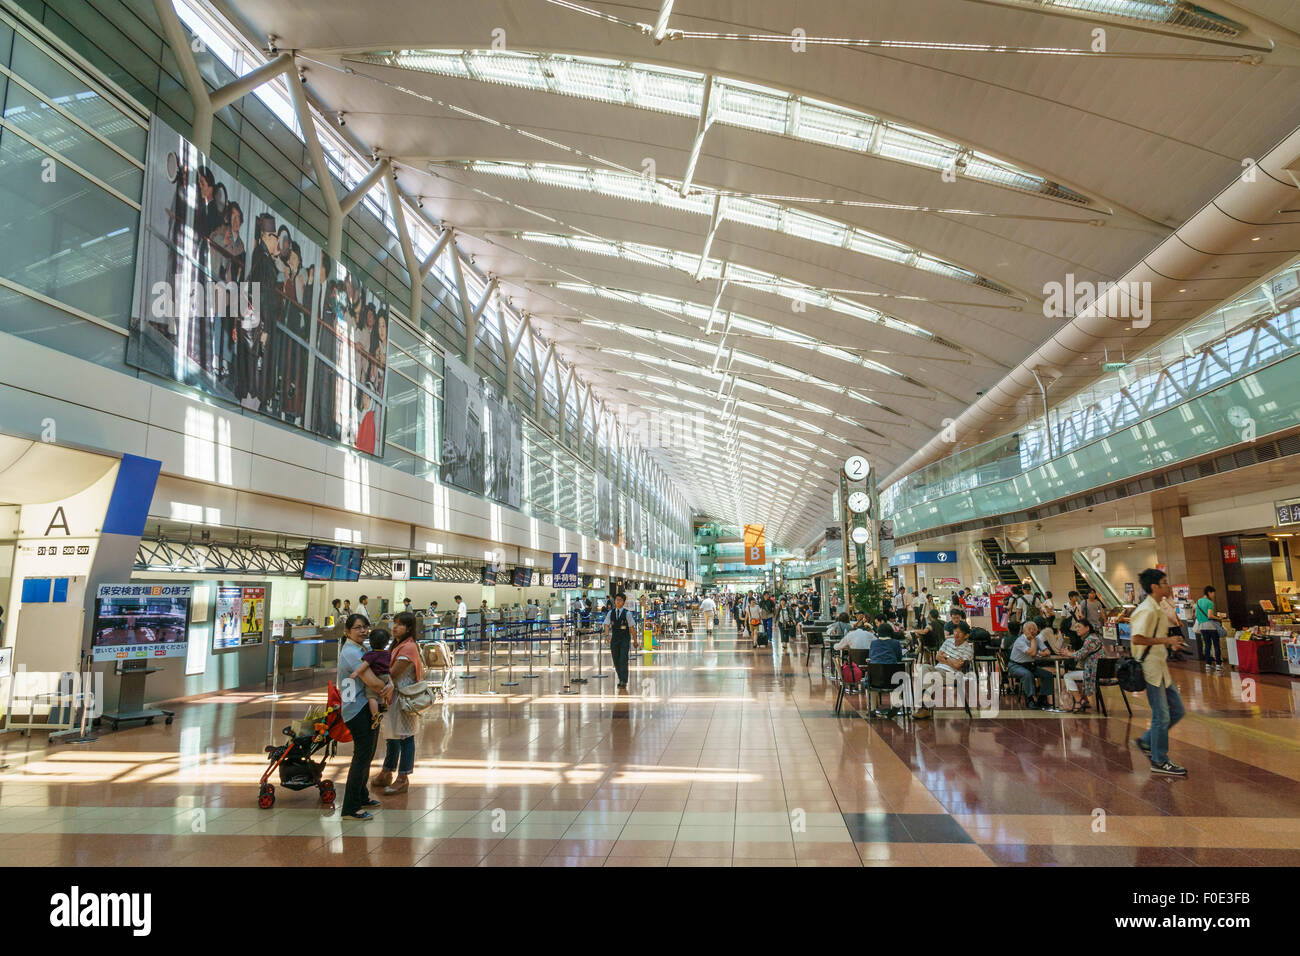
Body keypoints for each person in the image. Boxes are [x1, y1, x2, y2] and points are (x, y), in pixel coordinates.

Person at [1131, 568, 1188, 776]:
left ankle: (1147, 741)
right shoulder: (1147, 610)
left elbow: (1153, 637)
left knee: (1177, 711)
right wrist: (1167, 641)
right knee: (1161, 715)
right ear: (1154, 587)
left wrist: (1171, 645)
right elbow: (1137, 638)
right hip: (1151, 670)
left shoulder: (1157, 607)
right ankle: (1159, 760)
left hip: (1161, 668)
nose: (1168, 585)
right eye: (1164, 582)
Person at [337, 614, 388, 820]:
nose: (363, 631)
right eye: (358, 628)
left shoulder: (361, 649)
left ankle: (362, 795)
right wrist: (388, 688)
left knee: (367, 754)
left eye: (365, 627)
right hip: (356, 709)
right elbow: (373, 683)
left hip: (365, 707)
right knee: (361, 756)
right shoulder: (351, 652)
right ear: (347, 631)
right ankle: (350, 807)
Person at [372, 611, 423, 795]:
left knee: (405, 737)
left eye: (400, 624)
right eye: (394, 623)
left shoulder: (408, 648)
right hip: (394, 699)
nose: (394, 627)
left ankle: (403, 777)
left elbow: (392, 673)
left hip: (403, 700)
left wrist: (368, 672)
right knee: (392, 735)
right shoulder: (398, 645)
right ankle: (387, 771)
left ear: (408, 628)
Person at [351, 627, 393, 729]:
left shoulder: (371, 655)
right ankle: (386, 704)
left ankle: (375, 714)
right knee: (386, 691)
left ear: (370, 641)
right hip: (386, 676)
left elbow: (364, 665)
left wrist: (356, 673)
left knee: (371, 697)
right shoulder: (388, 653)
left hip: (376, 676)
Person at [1060, 618, 1103, 713]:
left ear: (1087, 628)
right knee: (1075, 672)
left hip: (1093, 673)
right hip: (1096, 671)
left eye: (1079, 627)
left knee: (1067, 676)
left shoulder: (1091, 640)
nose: (1077, 629)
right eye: (1075, 627)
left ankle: (1079, 701)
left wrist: (1068, 653)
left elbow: (1080, 655)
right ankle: (1084, 700)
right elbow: (1083, 653)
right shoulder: (1093, 638)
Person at [1009, 619, 1054, 710]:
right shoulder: (1020, 641)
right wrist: (1033, 640)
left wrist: (1043, 653)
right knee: (1027, 674)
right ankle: (1030, 699)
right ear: (1023, 631)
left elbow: (1048, 651)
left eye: (1034, 629)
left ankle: (1042, 698)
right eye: (1029, 629)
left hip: (1030, 666)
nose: (1032, 631)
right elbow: (1033, 653)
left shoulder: (1037, 639)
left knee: (1048, 675)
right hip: (1015, 666)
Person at [603, 592, 637, 689]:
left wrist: (635, 641)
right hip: (615, 640)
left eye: (620, 600)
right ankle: (620, 678)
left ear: (623, 602)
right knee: (616, 660)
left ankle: (623, 680)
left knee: (623, 659)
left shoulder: (628, 613)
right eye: (616, 600)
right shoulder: (611, 613)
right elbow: (606, 624)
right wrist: (607, 635)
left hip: (624, 640)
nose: (618, 602)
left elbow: (631, 628)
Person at [1194, 586, 1226, 671]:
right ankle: (1218, 664)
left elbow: (1195, 615)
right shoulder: (1210, 603)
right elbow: (1209, 615)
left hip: (1202, 627)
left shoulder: (1198, 602)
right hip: (1211, 627)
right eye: (1213, 593)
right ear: (1209, 592)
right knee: (1216, 645)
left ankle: (1208, 664)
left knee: (1207, 645)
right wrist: (1219, 618)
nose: (1213, 595)